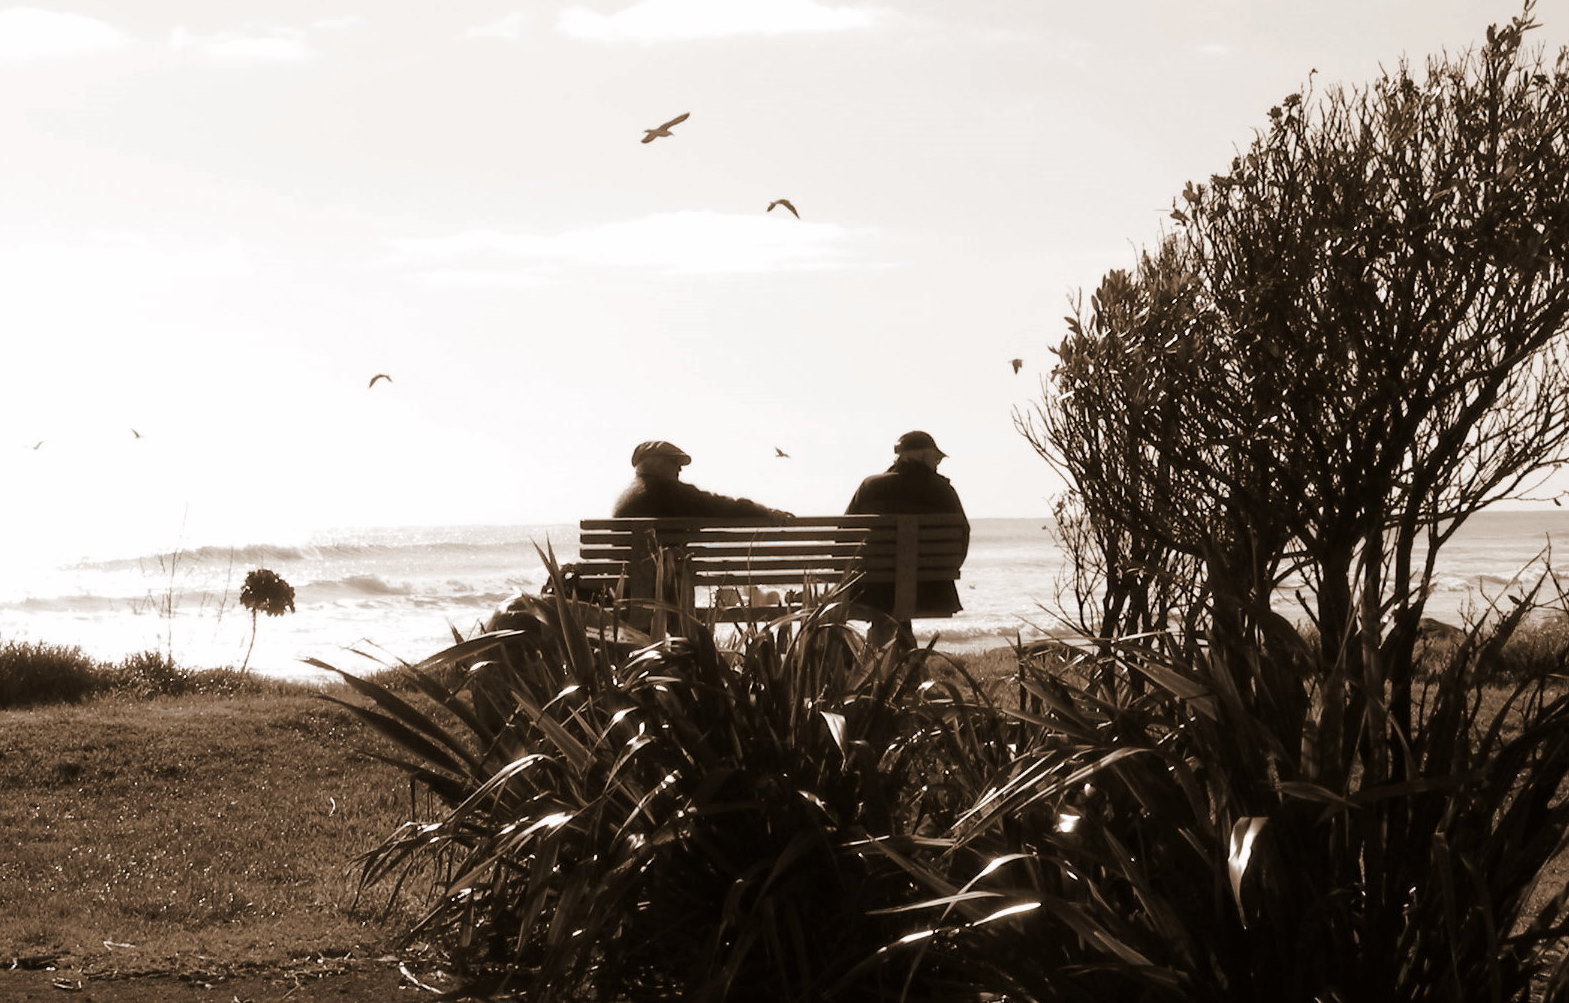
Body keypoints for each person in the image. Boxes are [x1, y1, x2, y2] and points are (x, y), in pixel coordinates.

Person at [844, 430, 970, 651]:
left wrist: (848, 578)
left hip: (870, 589)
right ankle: (905, 668)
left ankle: (881, 667)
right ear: (918, 455)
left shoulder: (870, 487)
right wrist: (946, 569)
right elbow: (962, 535)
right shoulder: (943, 490)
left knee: (886, 602)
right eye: (935, 458)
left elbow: (844, 534)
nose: (938, 464)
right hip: (930, 588)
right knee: (898, 598)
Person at [613, 440, 792, 519]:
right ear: (656, 464)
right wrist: (766, 513)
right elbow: (719, 506)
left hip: (626, 581)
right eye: (674, 462)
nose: (680, 468)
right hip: (658, 581)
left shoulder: (629, 494)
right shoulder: (665, 492)